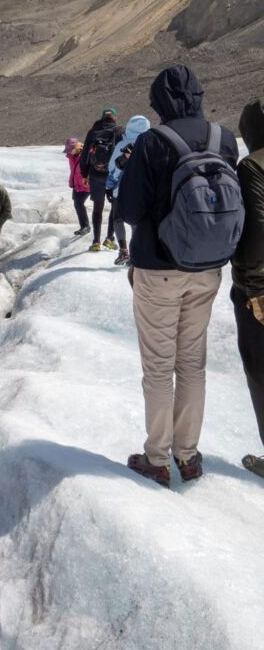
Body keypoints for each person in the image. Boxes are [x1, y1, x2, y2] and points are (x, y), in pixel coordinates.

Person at [119, 66, 238, 486]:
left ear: (160, 102)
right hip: (208, 270)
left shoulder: (153, 142)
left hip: (158, 271)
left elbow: (130, 211)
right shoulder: (224, 139)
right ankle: (187, 456)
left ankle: (157, 458)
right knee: (192, 364)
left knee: (158, 368)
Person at [230, 97, 264, 479]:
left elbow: (257, 230)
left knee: (260, 370)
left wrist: (250, 286)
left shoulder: (252, 166)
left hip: (259, 286)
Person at [106, 115, 151, 266]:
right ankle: (136, 253)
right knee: (136, 222)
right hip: (143, 191)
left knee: (118, 218)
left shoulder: (122, 145)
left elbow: (113, 168)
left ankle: (123, 250)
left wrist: (109, 186)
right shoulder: (150, 144)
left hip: (121, 189)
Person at [80, 108, 124, 252]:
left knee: (97, 208)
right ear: (115, 118)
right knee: (114, 206)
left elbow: (85, 152)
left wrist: (84, 174)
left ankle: (96, 241)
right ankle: (109, 238)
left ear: (102, 117)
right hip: (113, 175)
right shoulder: (119, 131)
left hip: (95, 174)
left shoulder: (93, 131)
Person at [64, 138, 90, 236]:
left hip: (86, 184)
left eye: (70, 149)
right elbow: (73, 171)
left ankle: (86, 226)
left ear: (76, 147)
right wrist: (71, 182)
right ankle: (83, 226)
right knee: (77, 203)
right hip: (76, 185)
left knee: (79, 203)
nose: (69, 152)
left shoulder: (86, 155)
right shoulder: (71, 157)